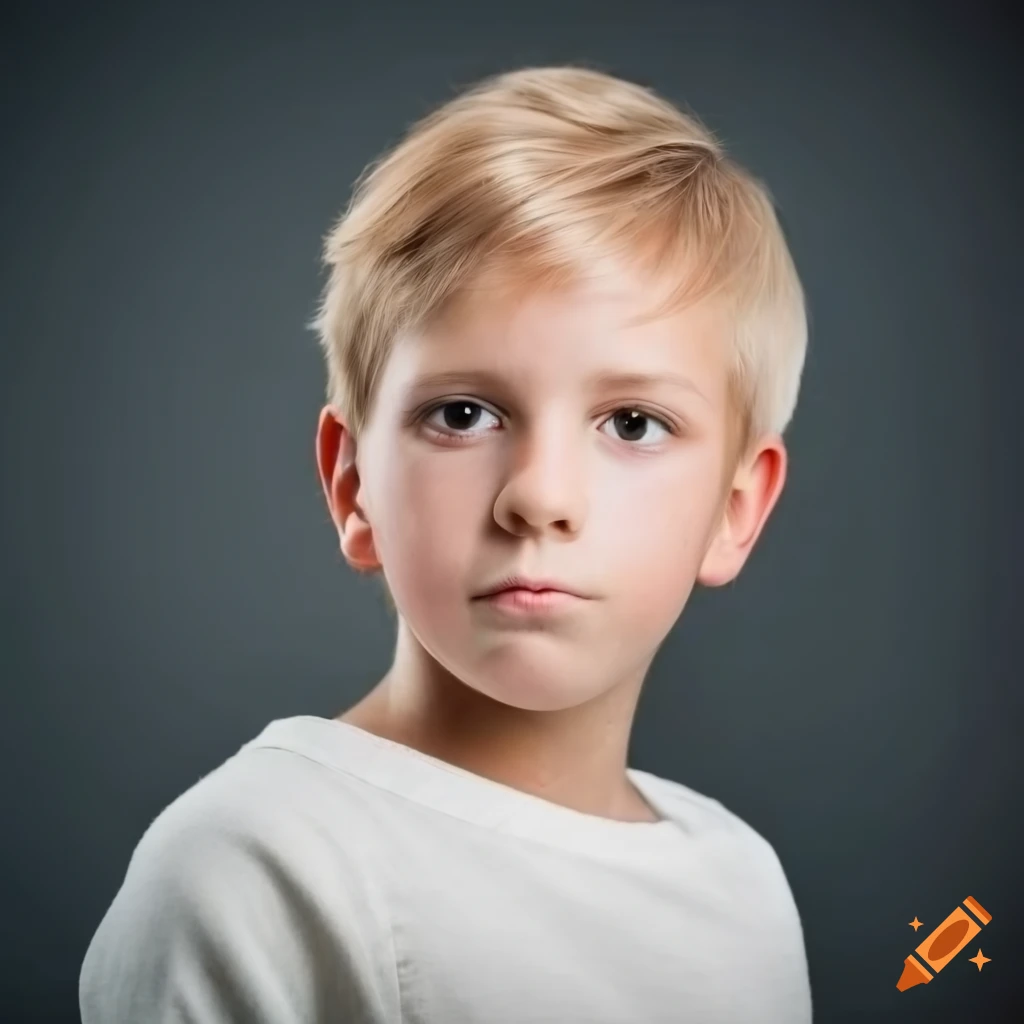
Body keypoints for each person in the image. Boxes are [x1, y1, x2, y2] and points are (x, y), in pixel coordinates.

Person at [80, 63, 813, 1023]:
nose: (539, 496)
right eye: (463, 413)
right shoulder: (256, 870)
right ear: (353, 485)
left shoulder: (743, 884)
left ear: (735, 509)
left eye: (632, 423)